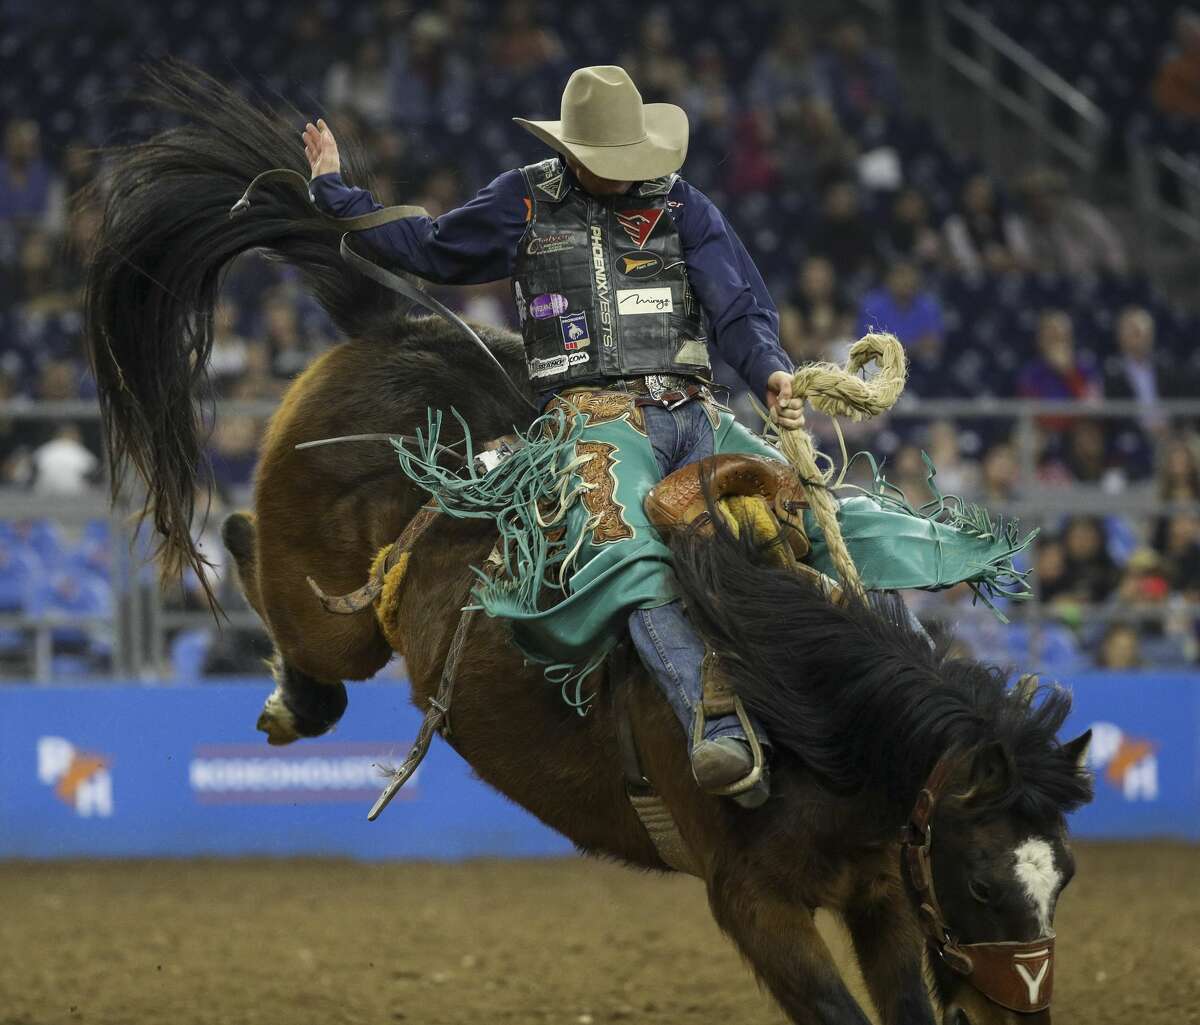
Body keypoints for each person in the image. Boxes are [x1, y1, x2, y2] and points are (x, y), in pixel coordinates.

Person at [302, 66, 802, 806]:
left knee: (800, 516)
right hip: (587, 425)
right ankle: (718, 725)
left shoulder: (684, 204)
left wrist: (772, 372)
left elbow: (738, 304)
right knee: (626, 556)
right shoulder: (525, 198)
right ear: (573, 153)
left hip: (695, 408)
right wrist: (335, 192)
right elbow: (431, 248)